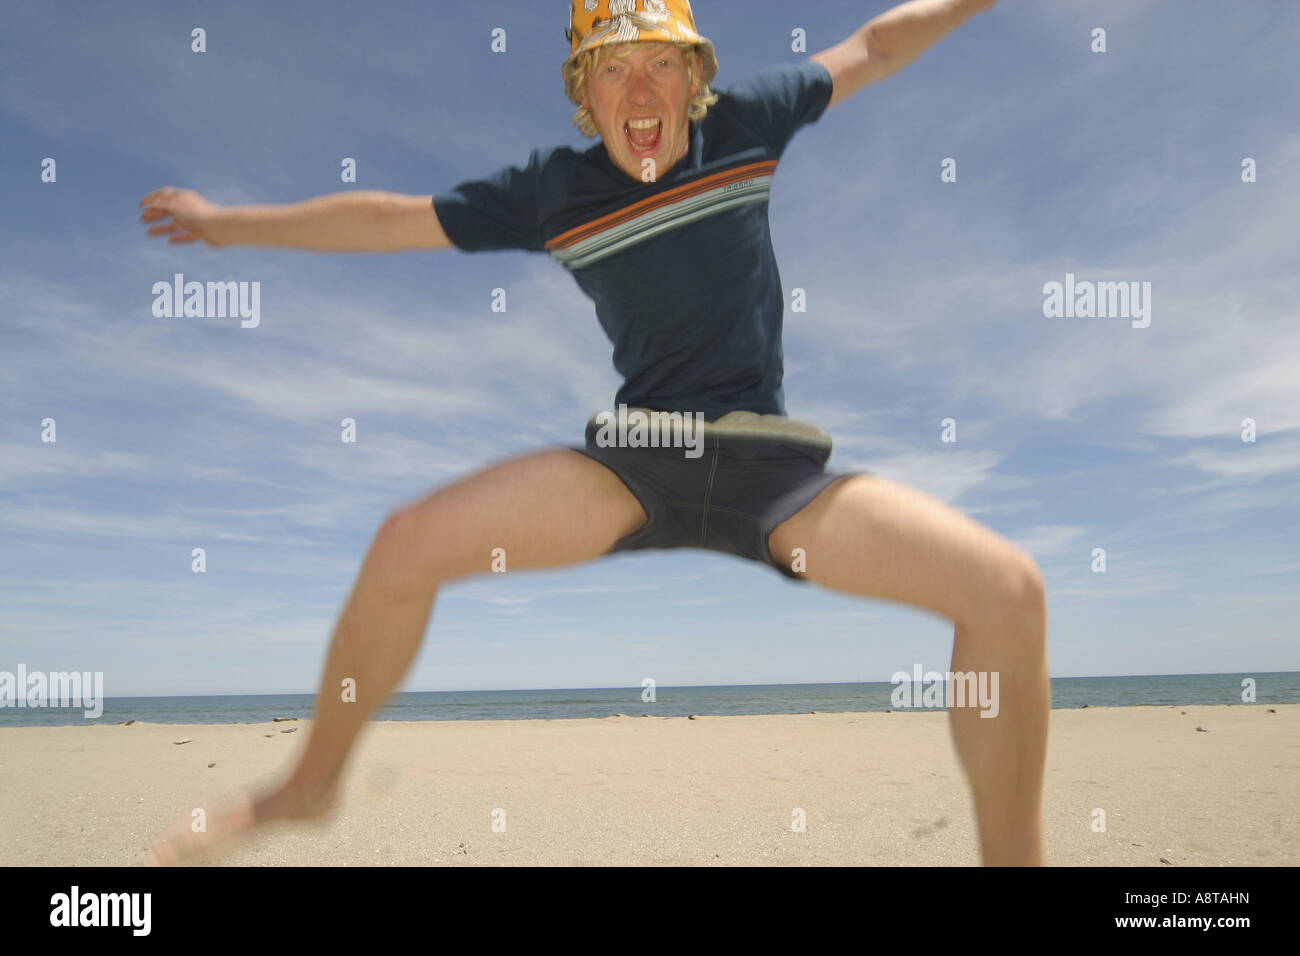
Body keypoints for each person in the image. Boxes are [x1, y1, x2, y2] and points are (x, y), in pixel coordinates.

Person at [140, 0, 1045, 867]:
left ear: (696, 77)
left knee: (1008, 590)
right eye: (614, 70)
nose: (640, 93)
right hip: (636, 463)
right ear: (586, 94)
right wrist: (228, 225)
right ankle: (310, 786)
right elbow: (386, 218)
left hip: (772, 470)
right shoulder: (556, 192)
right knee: (403, 543)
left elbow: (877, 46)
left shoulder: (749, 125)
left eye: (660, 64)